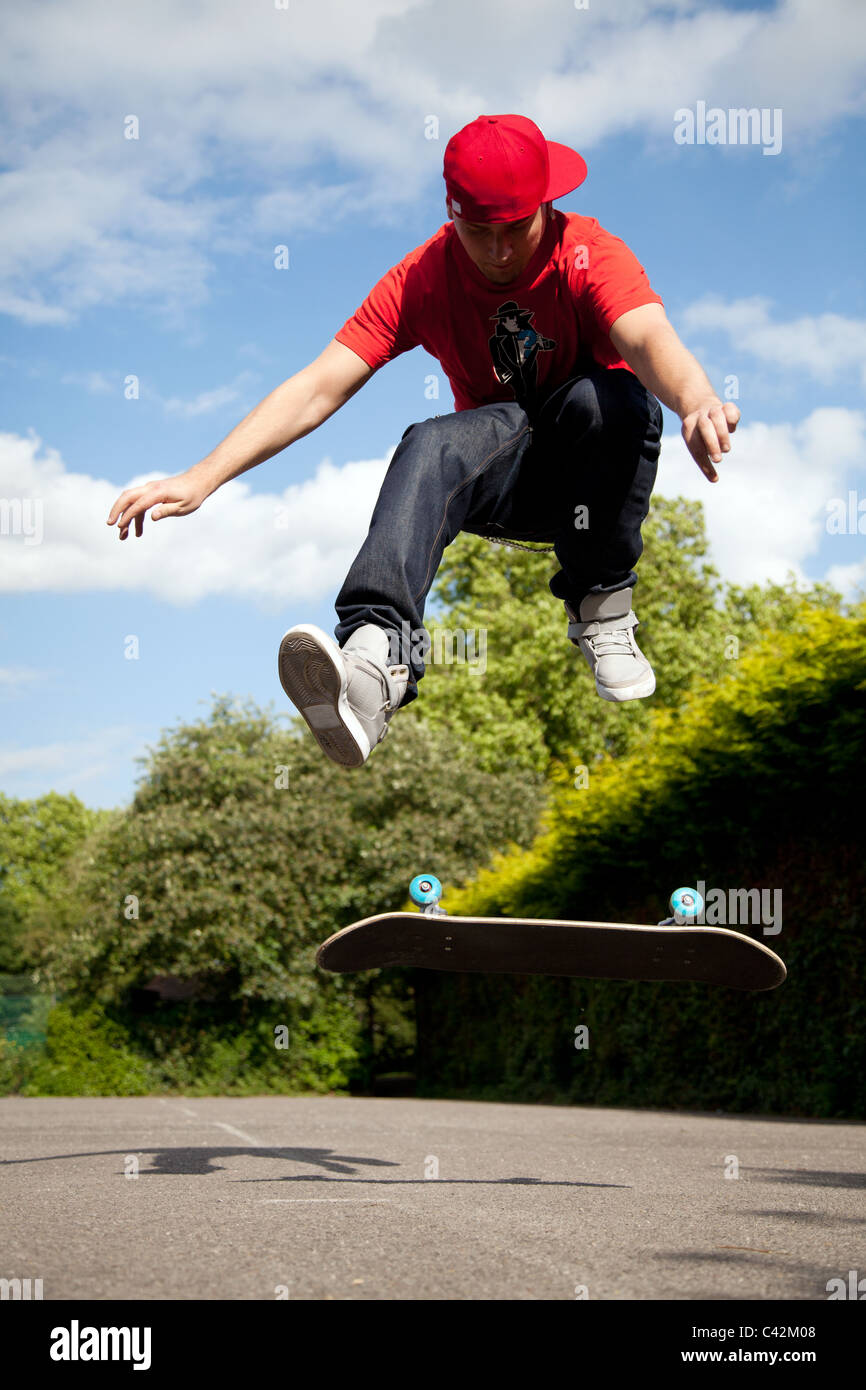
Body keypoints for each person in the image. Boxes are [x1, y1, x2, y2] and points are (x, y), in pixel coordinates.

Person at [107, 113, 739, 770]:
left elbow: (645, 335)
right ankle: (375, 664)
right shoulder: (423, 277)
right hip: (501, 479)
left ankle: (602, 603)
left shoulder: (587, 252)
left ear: (547, 206)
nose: (497, 254)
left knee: (607, 396)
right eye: (477, 232)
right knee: (430, 442)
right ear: (450, 213)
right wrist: (203, 475)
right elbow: (322, 383)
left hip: (592, 473)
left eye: (515, 232)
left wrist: (695, 398)